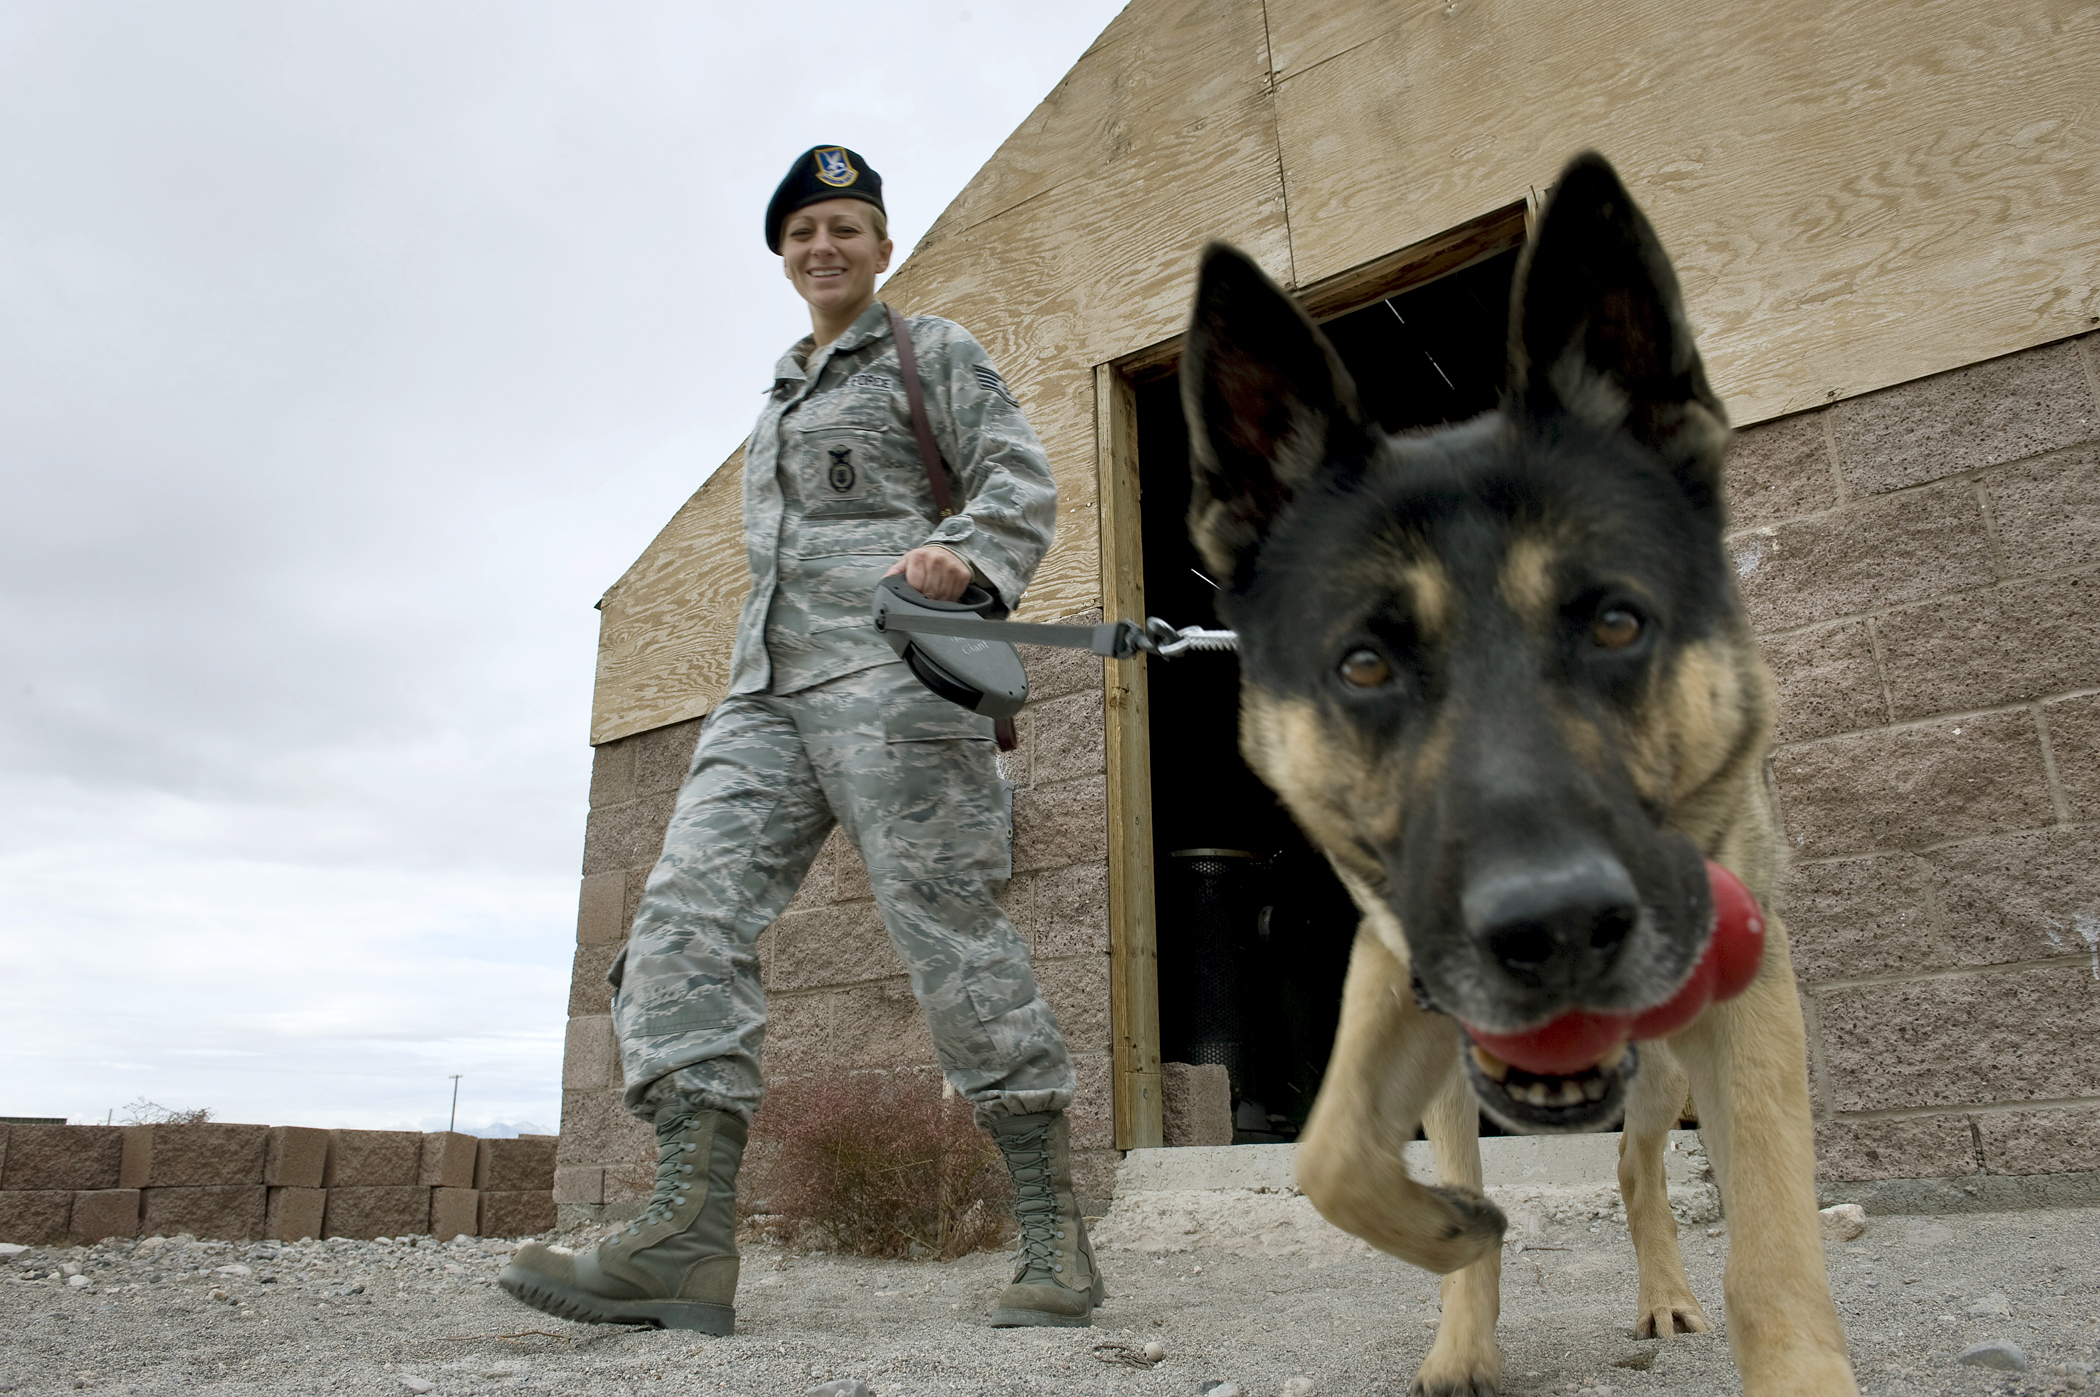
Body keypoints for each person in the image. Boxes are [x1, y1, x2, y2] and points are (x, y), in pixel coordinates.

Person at [500, 146, 1098, 1335]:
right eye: (800, 232)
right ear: (782, 256)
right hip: (763, 695)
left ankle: (1049, 1230)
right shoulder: (779, 390)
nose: (822, 246)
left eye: (844, 226)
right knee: (680, 917)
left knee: (951, 936)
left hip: (895, 684)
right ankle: (685, 1238)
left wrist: (964, 551)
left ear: (881, 244)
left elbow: (1018, 481)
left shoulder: (934, 353)